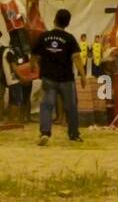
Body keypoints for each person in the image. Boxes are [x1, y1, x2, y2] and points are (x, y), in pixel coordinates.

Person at [30, 8, 86, 145]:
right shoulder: (69, 38)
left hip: (48, 78)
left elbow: (34, 56)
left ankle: (45, 133)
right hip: (66, 79)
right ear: (67, 23)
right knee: (71, 107)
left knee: (46, 106)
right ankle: (73, 134)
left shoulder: (44, 37)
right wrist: (83, 75)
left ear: (55, 19)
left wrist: (34, 67)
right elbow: (76, 58)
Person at [6, 48, 32, 123]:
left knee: (26, 98)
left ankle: (24, 117)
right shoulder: (12, 53)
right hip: (19, 79)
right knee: (18, 99)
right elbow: (13, 68)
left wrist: (27, 77)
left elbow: (30, 66)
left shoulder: (27, 54)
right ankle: (18, 118)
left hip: (26, 78)